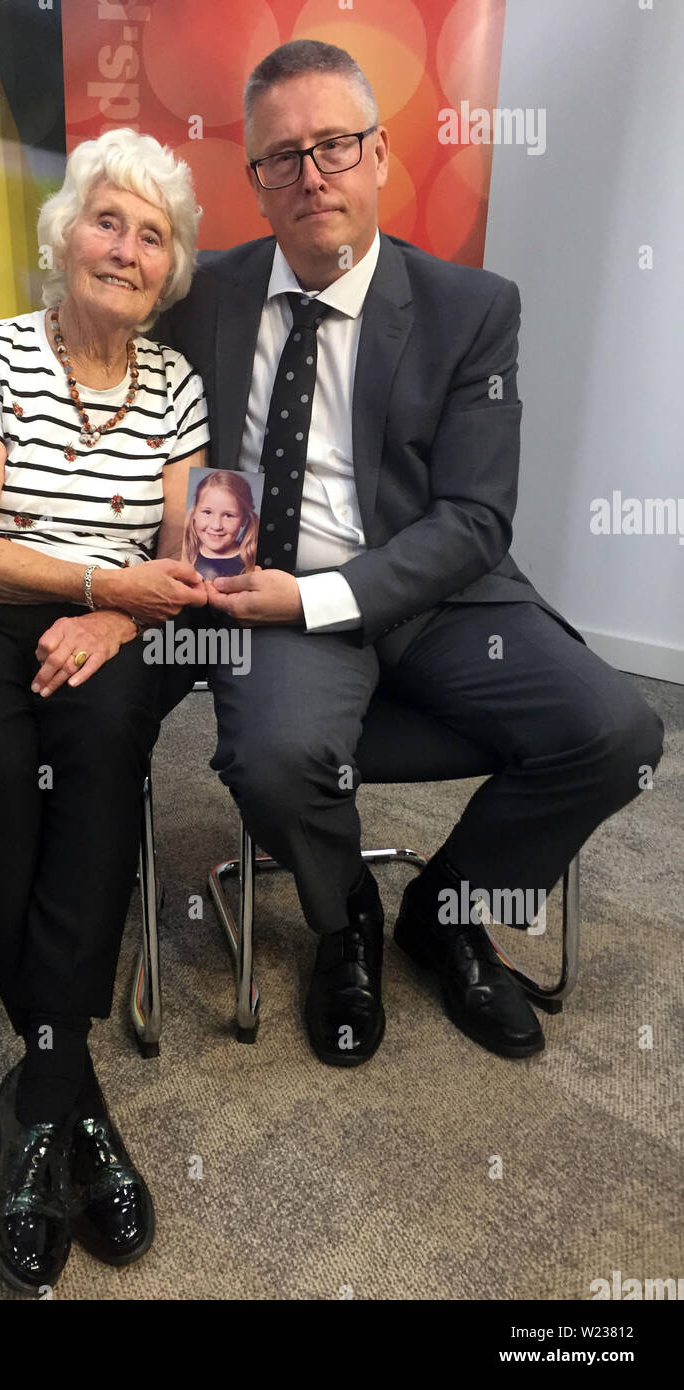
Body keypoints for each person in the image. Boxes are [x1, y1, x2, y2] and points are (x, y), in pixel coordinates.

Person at [156, 40, 664, 1068]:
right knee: (270, 757)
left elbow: (475, 519)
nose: (310, 176)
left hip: (442, 594)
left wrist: (321, 595)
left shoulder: (470, 307)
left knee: (617, 733)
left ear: (380, 155)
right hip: (267, 589)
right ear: (252, 181)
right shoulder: (197, 292)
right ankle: (342, 918)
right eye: (280, 157)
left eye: (334, 145)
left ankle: (446, 913)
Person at [0, 127, 210, 1293]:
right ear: (63, 236)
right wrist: (96, 582)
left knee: (113, 740)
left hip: (99, 621)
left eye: (150, 235)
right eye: (105, 221)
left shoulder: (176, 385)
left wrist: (119, 617)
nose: (123, 249)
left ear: (169, 273)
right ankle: (70, 1087)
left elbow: (186, 565)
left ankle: (39, 1097)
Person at [183, 469, 260, 579]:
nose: (216, 526)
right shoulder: (187, 556)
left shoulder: (249, 561)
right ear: (194, 512)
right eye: (207, 512)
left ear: (244, 519)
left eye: (228, 515)